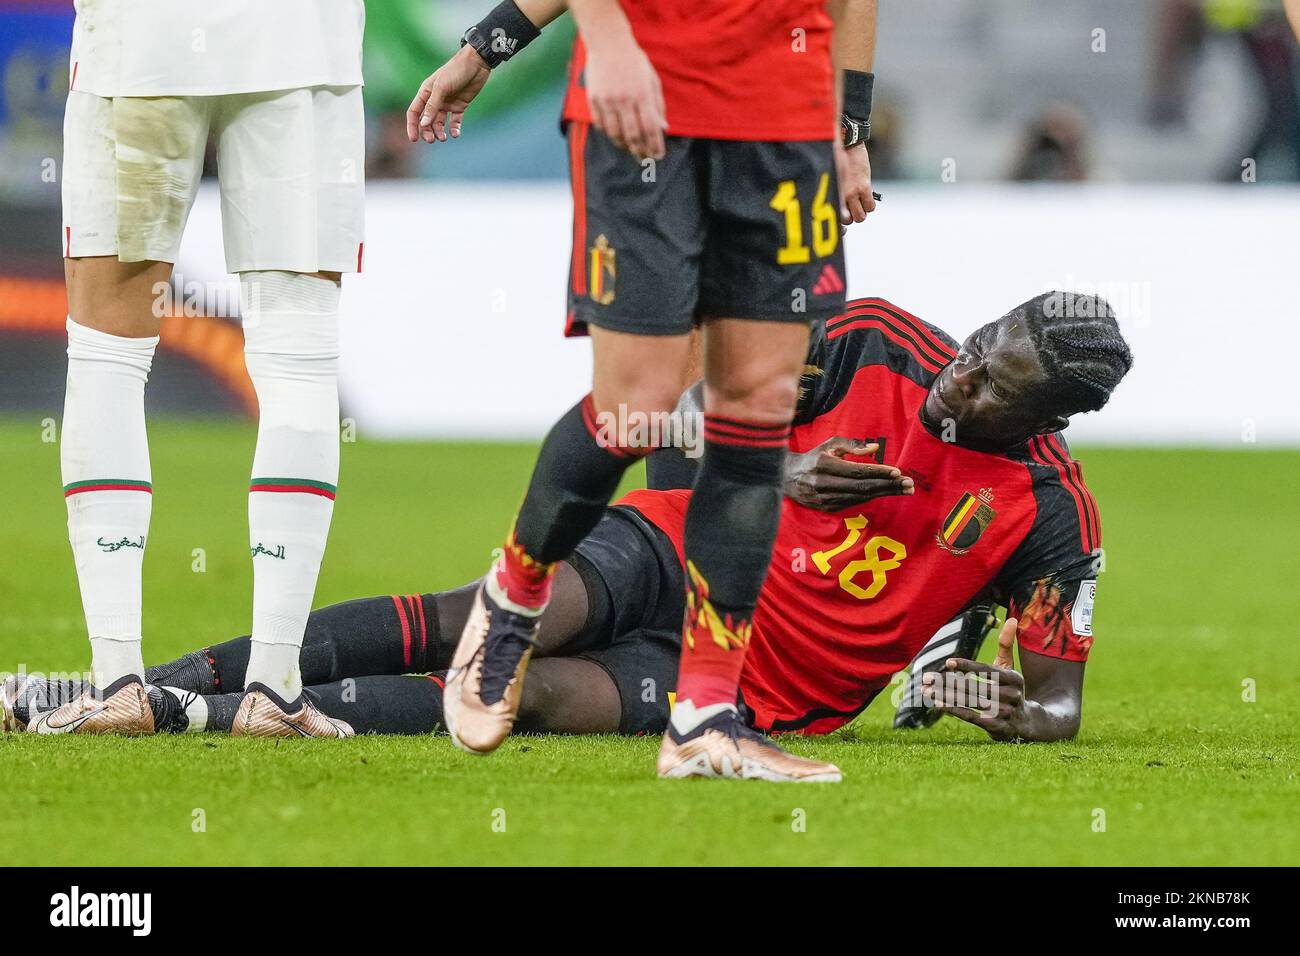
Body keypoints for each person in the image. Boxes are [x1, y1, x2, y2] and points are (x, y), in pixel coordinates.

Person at [5, 293, 1133, 756]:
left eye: (1000, 382)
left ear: (1049, 418)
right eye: (985, 339)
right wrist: (780, 473)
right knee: (487, 622)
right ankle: (129, 689)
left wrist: (953, 686)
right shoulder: (879, 340)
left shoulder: (1048, 519)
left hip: (763, 683)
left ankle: (183, 711)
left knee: (530, 699)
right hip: (677, 540)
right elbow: (683, 419)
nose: (966, 375)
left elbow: (1058, 707)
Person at [407, 0, 880, 783]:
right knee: (641, 408)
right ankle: (516, 595)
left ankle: (703, 715)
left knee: (757, 407)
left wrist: (848, 123)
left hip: (785, 118)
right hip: (644, 104)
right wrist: (588, 41)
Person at [46, 0, 366, 737]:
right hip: (302, 43)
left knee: (107, 351)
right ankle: (274, 690)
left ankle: (118, 683)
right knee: (300, 357)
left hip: (143, 42)